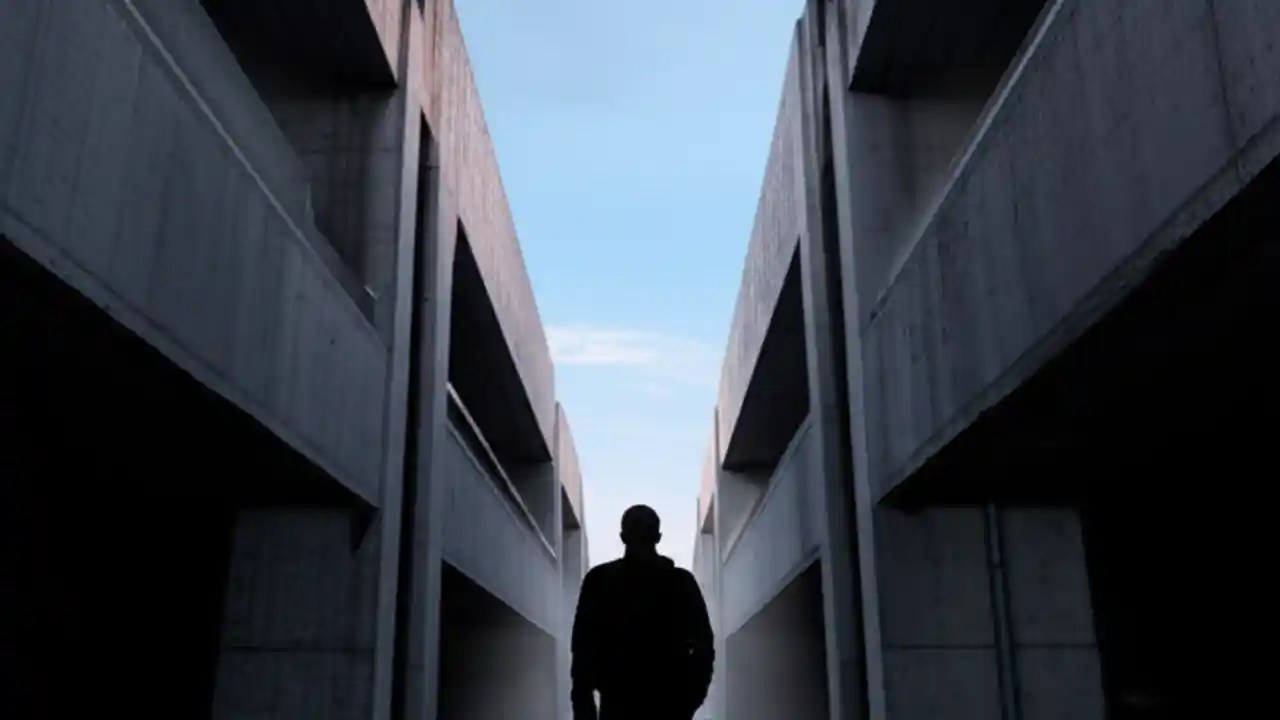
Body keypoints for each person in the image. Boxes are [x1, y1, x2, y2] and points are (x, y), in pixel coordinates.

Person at [570, 505, 715, 720]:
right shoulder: (680, 583)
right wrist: (688, 701)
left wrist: (585, 709)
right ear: (658, 536)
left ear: (622, 537)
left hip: (622, 707)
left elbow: (583, 650)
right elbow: (704, 647)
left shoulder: (600, 581)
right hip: (666, 707)